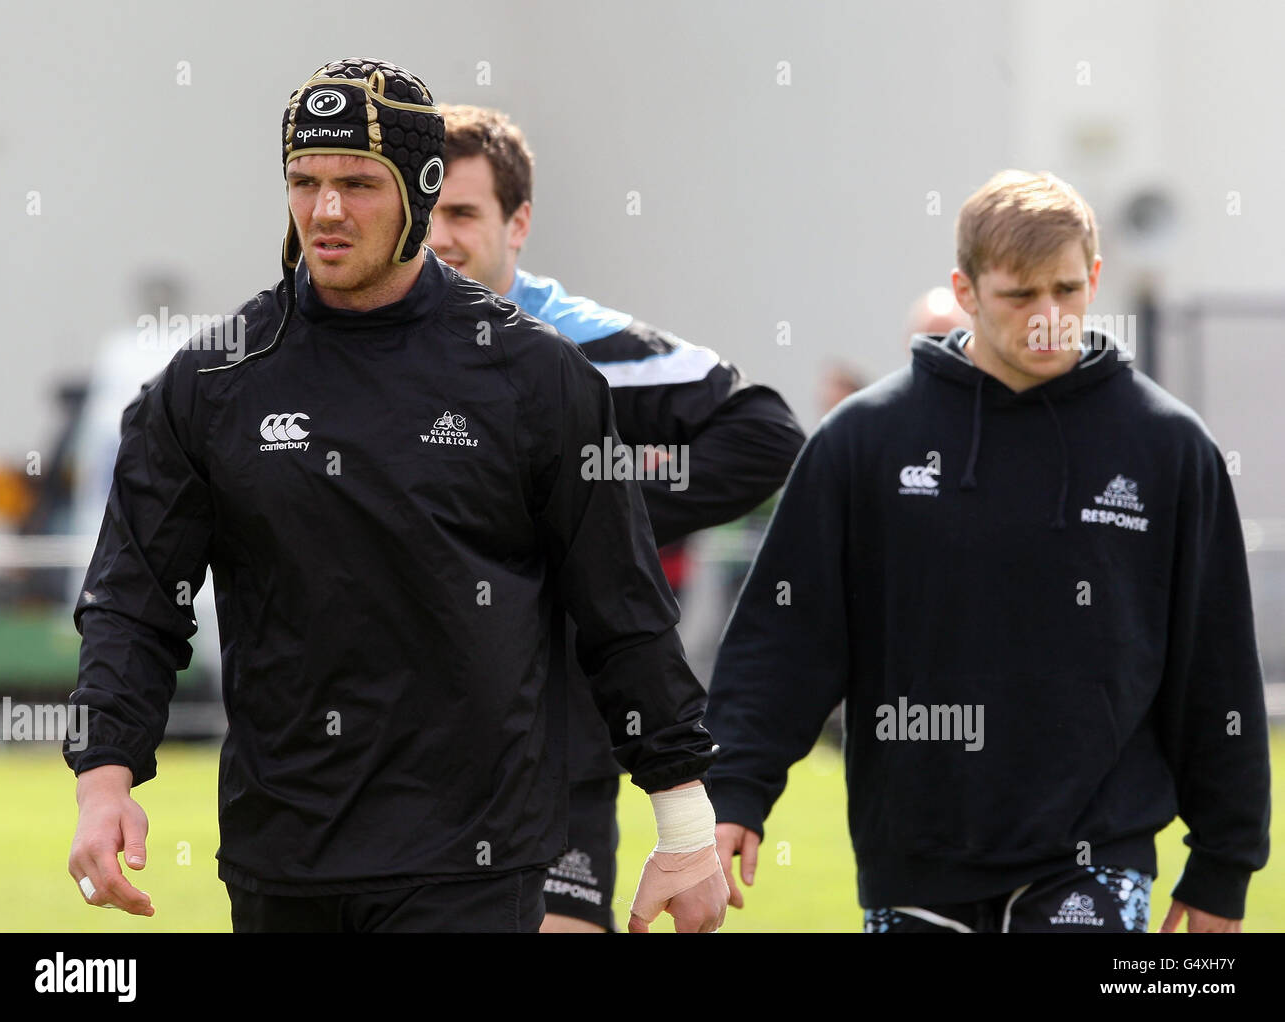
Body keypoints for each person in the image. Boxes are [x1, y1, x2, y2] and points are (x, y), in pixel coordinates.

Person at [63, 57, 731, 934]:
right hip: (282, 854)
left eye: (357, 183)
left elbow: (622, 607)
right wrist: (104, 775)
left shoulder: (533, 376)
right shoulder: (212, 380)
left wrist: (683, 821)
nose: (326, 210)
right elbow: (135, 598)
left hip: (474, 856)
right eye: (304, 181)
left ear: (419, 191)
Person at [706, 169, 1271, 933]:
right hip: (915, 857)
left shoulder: (1167, 447)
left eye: (1067, 292)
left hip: (1095, 856)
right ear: (965, 291)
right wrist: (737, 786)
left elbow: (1216, 666)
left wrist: (1223, 864)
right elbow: (786, 635)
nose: (1048, 317)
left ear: (1095, 278)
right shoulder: (865, 442)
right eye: (1019, 296)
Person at [429, 104, 805, 932]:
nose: (439, 237)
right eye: (425, 211)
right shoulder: (356, 349)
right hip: (397, 740)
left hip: (556, 732)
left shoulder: (582, 346)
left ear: (517, 222)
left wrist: (592, 512)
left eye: (462, 213)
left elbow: (765, 436)